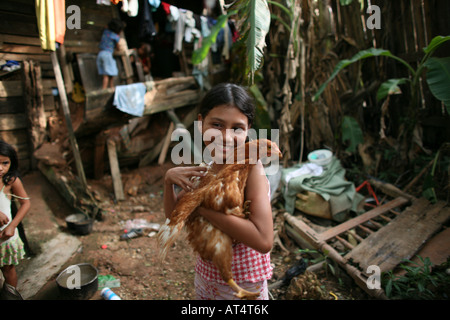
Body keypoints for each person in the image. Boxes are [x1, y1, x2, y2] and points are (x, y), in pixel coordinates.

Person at [163, 83, 274, 299]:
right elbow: (174, 217)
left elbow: (264, 240)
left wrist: (202, 209)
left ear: (248, 129)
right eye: (217, 124)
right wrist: (168, 183)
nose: (226, 136)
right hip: (207, 277)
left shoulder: (251, 169)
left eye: (237, 128)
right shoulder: (207, 167)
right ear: (200, 124)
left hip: (243, 282)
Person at [0, 141, 30, 300]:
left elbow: (25, 203)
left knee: (8, 269)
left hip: (5, 238)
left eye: (5, 163)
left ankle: (10, 296)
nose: (0, 168)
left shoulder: (10, 181)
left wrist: (12, 226)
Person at [97, 18, 125, 89]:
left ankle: (110, 88)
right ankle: (106, 89)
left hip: (100, 54)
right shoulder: (116, 37)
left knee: (105, 73)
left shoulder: (105, 32)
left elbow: (105, 27)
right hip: (107, 54)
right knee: (110, 73)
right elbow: (118, 47)